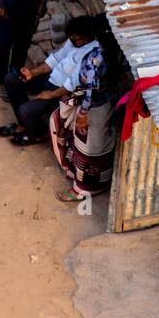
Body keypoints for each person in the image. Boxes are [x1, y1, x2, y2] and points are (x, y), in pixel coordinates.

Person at [0, 16, 101, 147]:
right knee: (11, 79)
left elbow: (72, 83)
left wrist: (50, 95)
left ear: (86, 38)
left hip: (60, 91)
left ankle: (38, 134)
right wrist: (32, 73)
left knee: (25, 110)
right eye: (71, 37)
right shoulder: (74, 41)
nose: (71, 41)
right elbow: (56, 59)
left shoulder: (92, 55)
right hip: (50, 78)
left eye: (75, 39)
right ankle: (24, 125)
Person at [47, 32, 115, 203]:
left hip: (94, 108)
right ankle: (96, 182)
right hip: (104, 104)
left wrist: (83, 113)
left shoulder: (96, 58)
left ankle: (82, 190)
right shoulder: (113, 54)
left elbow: (91, 89)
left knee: (89, 148)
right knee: (94, 146)